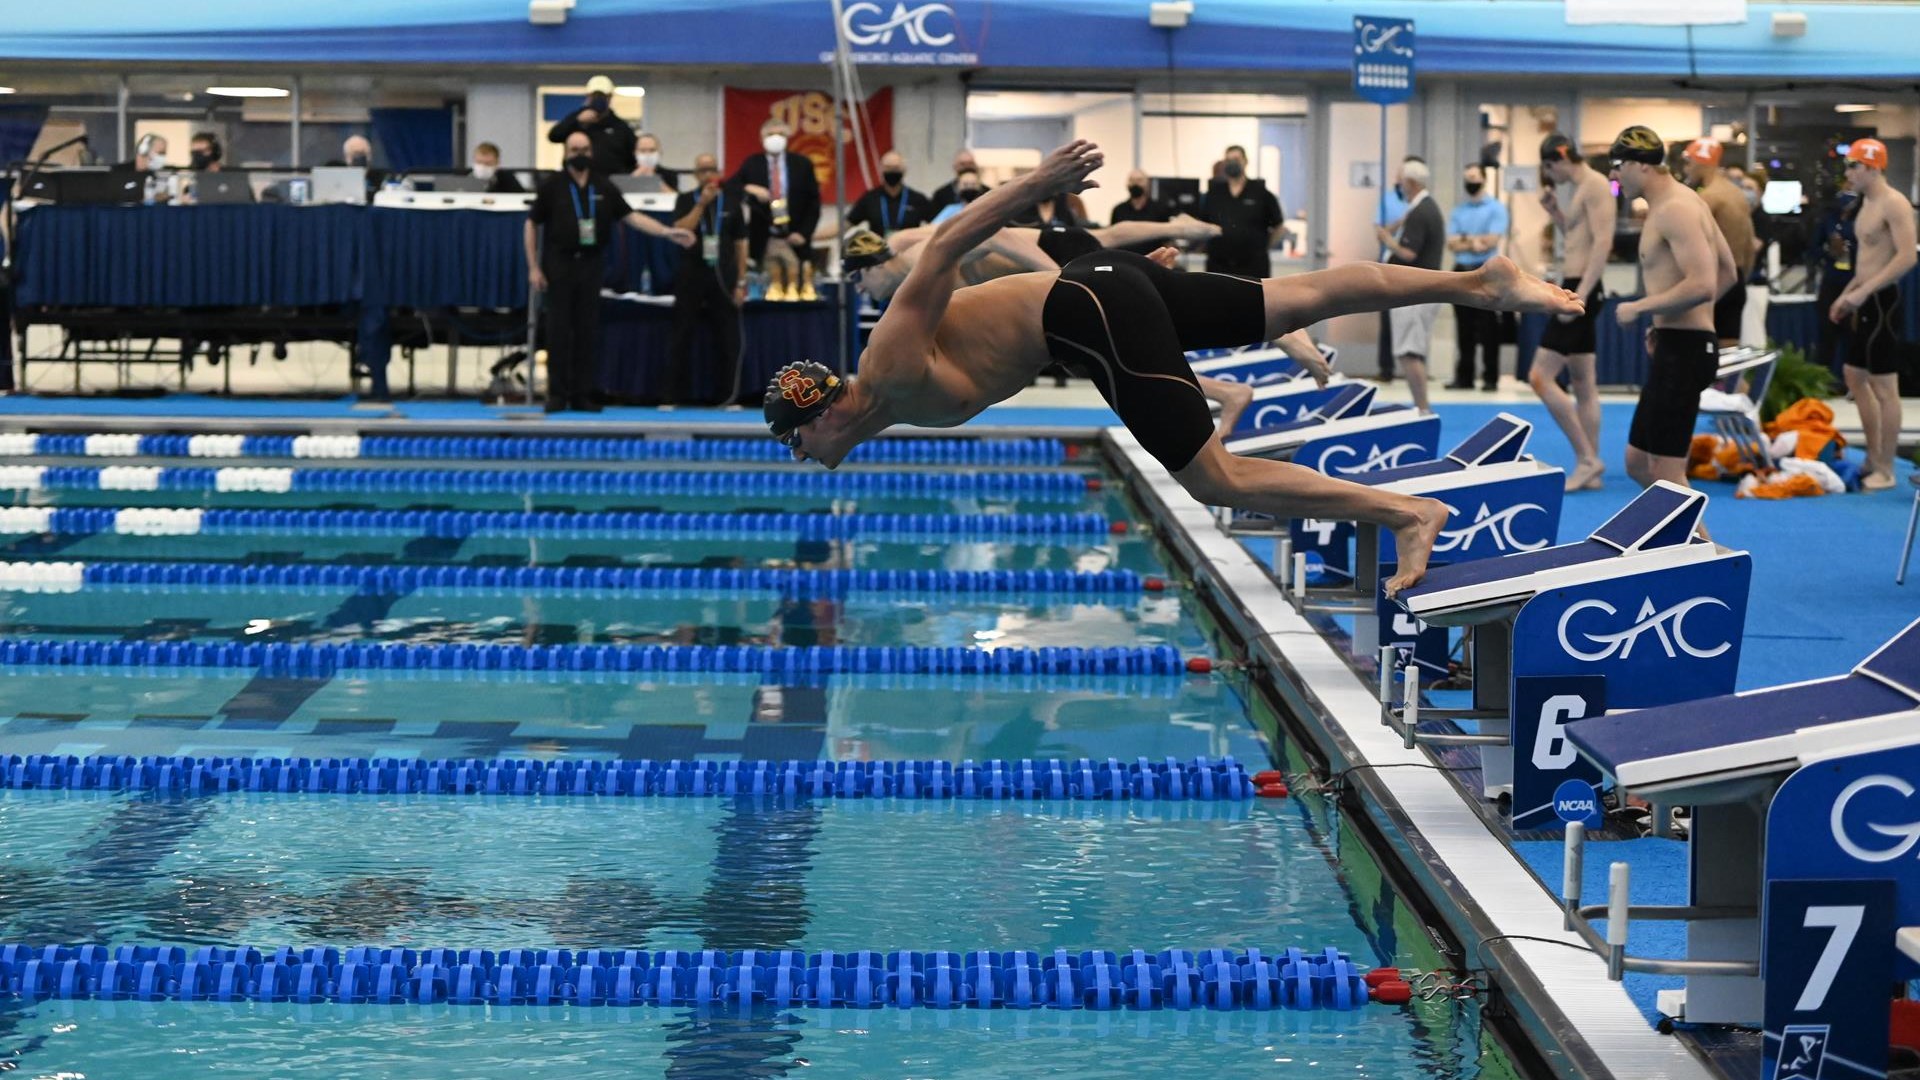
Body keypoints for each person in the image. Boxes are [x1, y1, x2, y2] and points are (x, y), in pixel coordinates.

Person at [770, 140, 1583, 597]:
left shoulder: (887, 363)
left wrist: (1037, 186)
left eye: (793, 442)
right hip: (1099, 300)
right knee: (1301, 300)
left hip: (1089, 310)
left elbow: (950, 243)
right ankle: (1478, 284)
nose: (799, 457)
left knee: (1216, 479)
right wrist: (1135, 283)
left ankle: (1406, 513)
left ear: (819, 414)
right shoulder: (885, 403)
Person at [525, 131, 696, 413]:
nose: (579, 153)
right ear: (565, 153)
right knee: (557, 330)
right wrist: (533, 266)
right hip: (560, 264)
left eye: (584, 148)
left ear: (591, 153)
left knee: (587, 331)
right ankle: (557, 394)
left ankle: (581, 394)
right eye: (574, 148)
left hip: (591, 265)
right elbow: (531, 224)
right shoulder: (552, 186)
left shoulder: (603, 186)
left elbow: (632, 217)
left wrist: (667, 232)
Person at [1606, 125, 1737, 492]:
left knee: (1667, 474)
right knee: (1637, 462)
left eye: (1617, 165)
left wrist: (1642, 308)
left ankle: (1708, 549)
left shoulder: (1675, 209)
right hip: (1677, 343)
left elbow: (1704, 283)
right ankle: (1681, 542)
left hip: (1686, 352)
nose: (1613, 175)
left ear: (1641, 166)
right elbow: (1727, 272)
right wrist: (1667, 320)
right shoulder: (1683, 201)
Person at [1829, 137, 1917, 491]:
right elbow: (1866, 261)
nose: (1848, 173)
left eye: (1854, 166)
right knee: (1853, 375)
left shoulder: (1895, 203)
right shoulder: (1864, 204)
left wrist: (1864, 292)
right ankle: (1873, 456)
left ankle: (1887, 466)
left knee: (1884, 386)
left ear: (1873, 167)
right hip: (1864, 299)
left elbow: (1907, 256)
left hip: (1883, 303)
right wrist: (1848, 293)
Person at [1532, 133, 1618, 491]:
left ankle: (1586, 458)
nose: (1553, 178)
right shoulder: (1583, 187)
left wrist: (1579, 296)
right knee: (1583, 381)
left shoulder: (1596, 185)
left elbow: (1602, 242)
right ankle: (1592, 466)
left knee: (1539, 377)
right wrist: (1555, 213)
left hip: (1581, 288)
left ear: (1558, 159)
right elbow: (1579, 234)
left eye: (1550, 170)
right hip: (1579, 285)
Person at [665, 153, 749, 407]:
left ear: (718, 172)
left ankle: (727, 397)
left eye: (711, 169)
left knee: (727, 337)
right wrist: (701, 204)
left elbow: (741, 244)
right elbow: (680, 229)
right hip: (691, 274)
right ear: (695, 174)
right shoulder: (684, 199)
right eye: (702, 170)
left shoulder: (732, 202)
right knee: (681, 334)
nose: (707, 174)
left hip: (723, 275)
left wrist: (741, 282)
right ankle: (672, 396)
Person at [1375, 159, 1445, 414]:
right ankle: (1421, 406)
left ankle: (1423, 408)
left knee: (1409, 353)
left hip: (1415, 294)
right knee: (1410, 351)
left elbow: (1408, 253)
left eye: (1402, 181)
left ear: (1411, 183)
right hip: (1421, 292)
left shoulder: (1421, 212)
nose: (1399, 186)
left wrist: (1386, 240)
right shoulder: (1423, 208)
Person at [728, 118, 822, 302]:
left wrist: (804, 233)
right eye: (771, 134)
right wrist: (749, 188)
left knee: (796, 285)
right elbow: (729, 187)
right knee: (766, 286)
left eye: (780, 134)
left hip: (795, 237)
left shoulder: (802, 164)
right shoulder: (752, 163)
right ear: (762, 137)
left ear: (788, 137)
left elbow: (814, 203)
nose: (775, 138)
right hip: (763, 236)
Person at [1680, 139, 1757, 348]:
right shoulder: (1737, 194)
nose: (1686, 169)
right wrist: (1741, 279)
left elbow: (1689, 249)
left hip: (1714, 283)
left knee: (1703, 359)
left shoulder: (1707, 198)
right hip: (1736, 280)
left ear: (1700, 162)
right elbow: (1750, 245)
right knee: (1730, 362)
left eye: (1688, 163)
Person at [1446, 163, 1510, 391]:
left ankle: (1491, 378)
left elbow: (1490, 242)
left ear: (1483, 179)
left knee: (1488, 328)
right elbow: (1451, 243)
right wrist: (1475, 242)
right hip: (1461, 270)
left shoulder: (1496, 208)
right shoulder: (1459, 210)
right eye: (1467, 177)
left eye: (1473, 177)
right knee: (1463, 328)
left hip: (1487, 272)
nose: (1470, 181)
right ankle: (1464, 377)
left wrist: (1466, 240)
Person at [1199, 144, 1284, 279]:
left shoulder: (1262, 193)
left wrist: (1263, 248)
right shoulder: (1214, 194)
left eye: (1236, 159)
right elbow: (1202, 224)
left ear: (1245, 161)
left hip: (1253, 267)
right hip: (1219, 267)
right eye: (1228, 160)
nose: (1232, 163)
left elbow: (1279, 226)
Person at [546, 75, 638, 177]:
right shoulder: (576, 119)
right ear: (588, 96)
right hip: (578, 180)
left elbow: (634, 156)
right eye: (595, 96)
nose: (598, 99)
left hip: (612, 181)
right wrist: (577, 121)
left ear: (610, 97)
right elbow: (554, 136)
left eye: (603, 96)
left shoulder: (620, 126)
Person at [1814, 190, 1861, 374]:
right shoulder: (1828, 220)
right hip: (1832, 280)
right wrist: (1829, 254)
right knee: (1827, 331)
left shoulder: (1861, 220)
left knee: (1852, 332)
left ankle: (1852, 379)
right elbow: (1814, 247)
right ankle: (1823, 377)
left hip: (1854, 279)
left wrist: (1851, 247)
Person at [845, 150, 930, 237]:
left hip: (910, 249)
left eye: (896, 168)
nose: (892, 171)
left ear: (904, 170)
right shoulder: (870, 198)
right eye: (888, 167)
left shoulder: (918, 199)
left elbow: (936, 224)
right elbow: (846, 224)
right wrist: (829, 235)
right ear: (881, 169)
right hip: (878, 249)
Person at [927, 149, 988, 215]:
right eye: (962, 164)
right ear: (955, 167)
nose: (967, 167)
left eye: (970, 163)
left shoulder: (988, 192)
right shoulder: (941, 195)